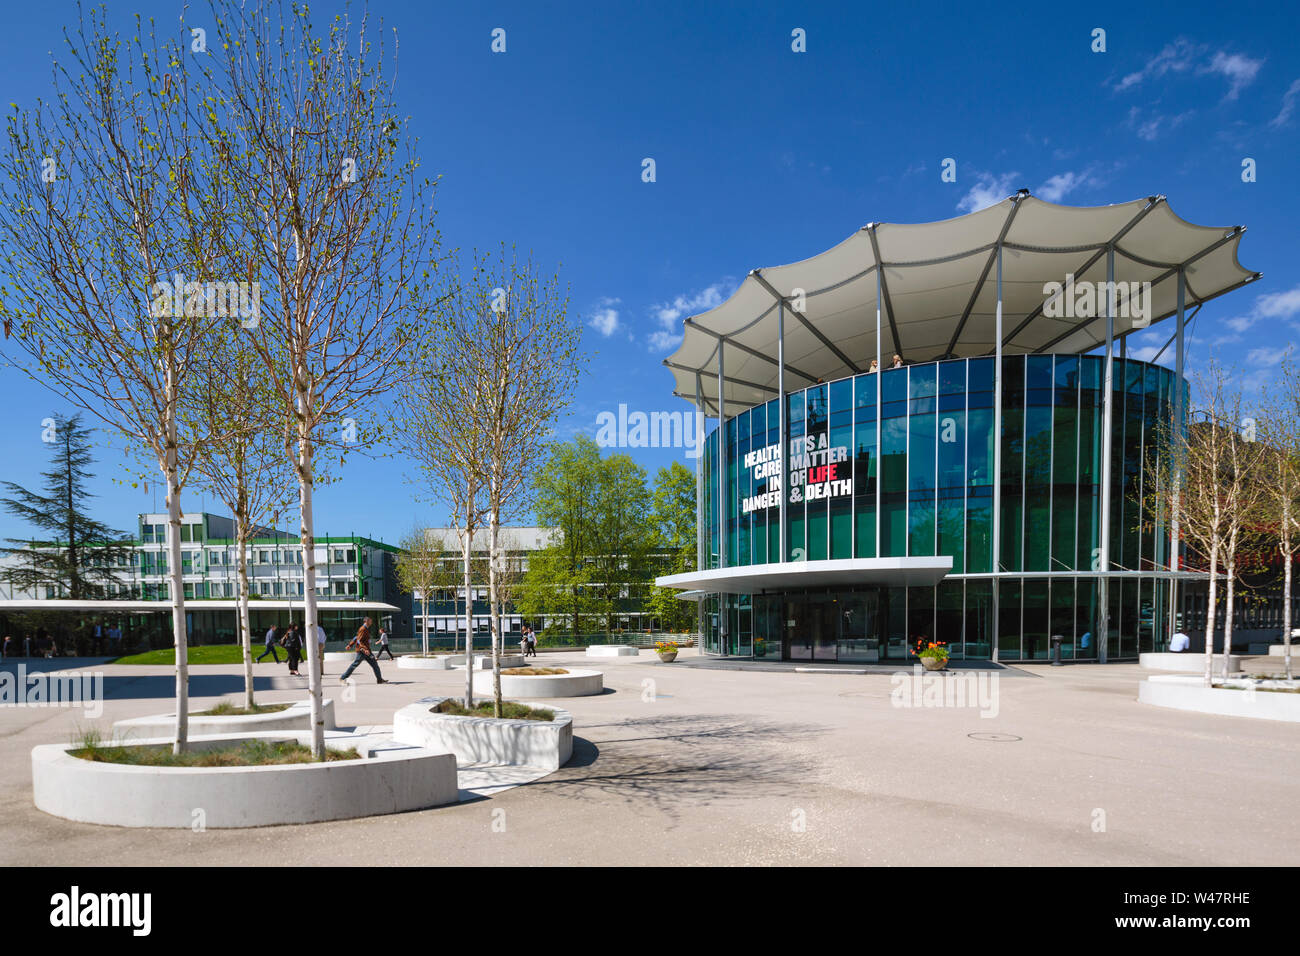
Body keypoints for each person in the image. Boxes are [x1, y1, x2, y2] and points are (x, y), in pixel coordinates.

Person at [340, 617, 388, 685]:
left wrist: (350, 645)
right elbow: (359, 640)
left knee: (375, 664)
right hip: (362, 651)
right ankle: (342, 678)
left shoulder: (365, 629)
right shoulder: (363, 629)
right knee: (355, 665)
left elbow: (356, 637)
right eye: (370, 621)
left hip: (367, 651)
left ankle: (379, 679)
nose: (371, 622)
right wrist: (364, 649)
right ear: (366, 621)